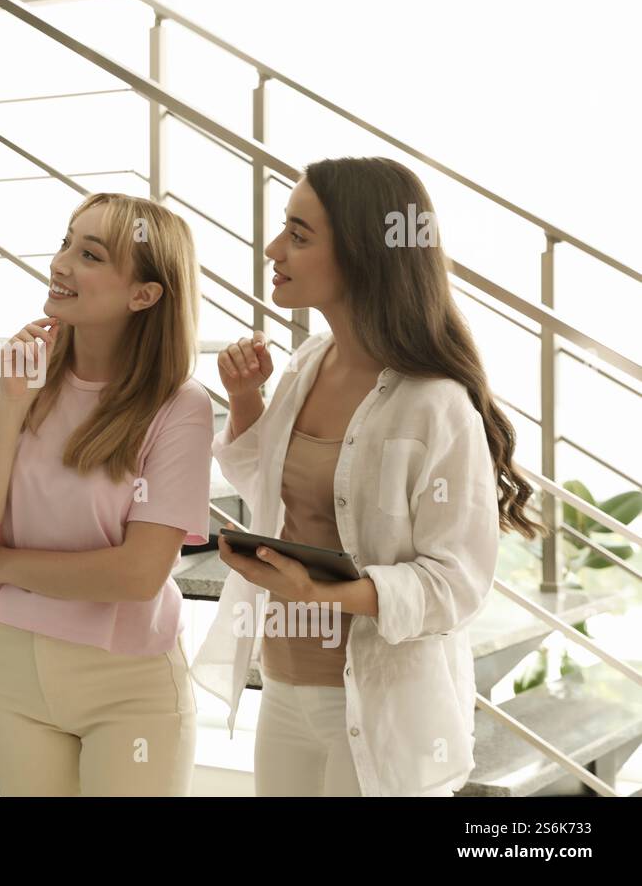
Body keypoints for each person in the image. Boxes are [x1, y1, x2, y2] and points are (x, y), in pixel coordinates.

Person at [192, 156, 540, 796]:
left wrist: (323, 595)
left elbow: (455, 584)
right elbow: (267, 485)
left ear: (361, 254)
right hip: (284, 683)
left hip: (376, 707)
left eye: (299, 235)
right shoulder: (306, 364)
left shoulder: (434, 404)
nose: (275, 249)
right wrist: (245, 401)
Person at [0, 192, 213, 796]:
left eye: (90, 254)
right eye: (66, 242)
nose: (61, 263)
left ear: (144, 294)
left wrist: (0, 565)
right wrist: (11, 406)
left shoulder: (180, 408)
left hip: (129, 684)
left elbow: (138, 575)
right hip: (15, 669)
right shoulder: (7, 378)